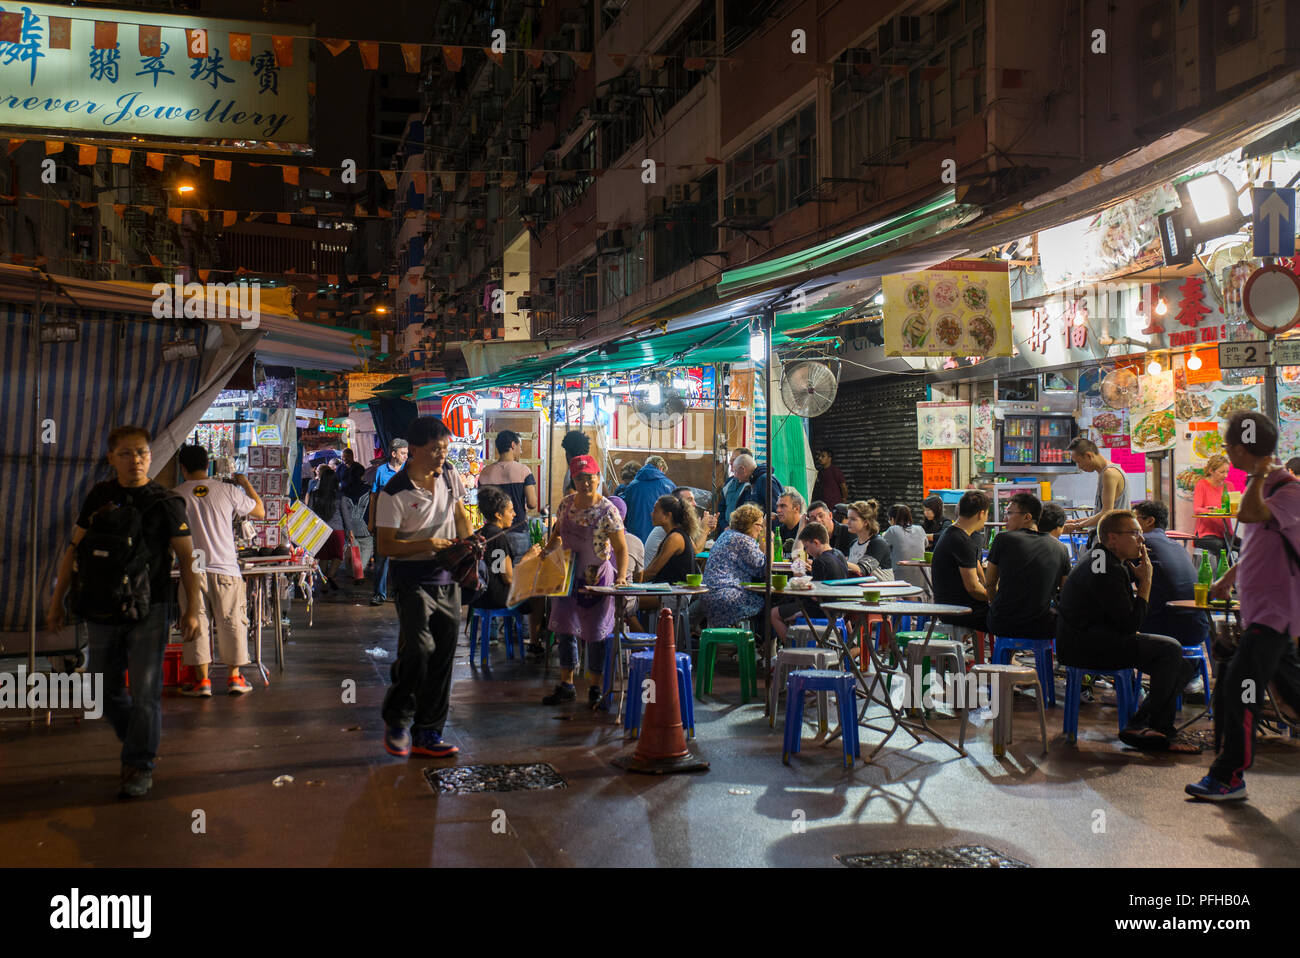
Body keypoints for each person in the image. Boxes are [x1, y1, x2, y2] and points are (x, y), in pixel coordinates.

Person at [45, 425, 203, 798]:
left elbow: (188, 558)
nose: (136, 460)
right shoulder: (99, 497)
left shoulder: (166, 502)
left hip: (151, 608)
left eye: (142, 453)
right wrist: (56, 603)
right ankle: (139, 735)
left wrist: (193, 608)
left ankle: (139, 765)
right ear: (111, 458)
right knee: (102, 687)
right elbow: (72, 550)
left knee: (147, 691)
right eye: (127, 453)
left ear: (151, 456)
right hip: (101, 607)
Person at [1187, 412, 1300, 801]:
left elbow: (1249, 515)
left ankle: (1228, 776)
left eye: (1229, 446)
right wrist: (1227, 579)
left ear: (1239, 449)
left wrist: (1258, 470)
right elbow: (1259, 544)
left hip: (1276, 613)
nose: (1226, 454)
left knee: (1239, 690)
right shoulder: (1268, 487)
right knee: (1293, 694)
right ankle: (1227, 774)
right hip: (1263, 611)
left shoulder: (1287, 490)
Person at [1056, 510, 1200, 753]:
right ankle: (1153, 727)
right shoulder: (1106, 568)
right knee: (1170, 650)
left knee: (1184, 666)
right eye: (1135, 534)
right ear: (1112, 538)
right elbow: (1130, 625)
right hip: (1086, 647)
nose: (1142, 540)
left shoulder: (1103, 559)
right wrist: (1145, 583)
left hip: (1091, 641)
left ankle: (1144, 725)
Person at [376, 418, 470, 759]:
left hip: (447, 578)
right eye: (435, 450)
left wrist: (469, 542)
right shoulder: (393, 493)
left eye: (445, 448)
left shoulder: (449, 475)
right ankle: (398, 716)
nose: (442, 455)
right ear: (413, 450)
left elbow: (461, 515)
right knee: (419, 647)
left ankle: (428, 732)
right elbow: (385, 546)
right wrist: (428, 543)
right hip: (411, 579)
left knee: (444, 656)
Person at [173, 444, 265, 697]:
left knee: (196, 621)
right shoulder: (227, 490)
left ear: (182, 468)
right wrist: (245, 484)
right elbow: (259, 511)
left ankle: (203, 682)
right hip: (226, 567)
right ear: (208, 464)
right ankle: (235, 678)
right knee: (232, 621)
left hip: (193, 568)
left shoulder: (175, 495)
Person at [539, 454, 629, 706]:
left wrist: (621, 576)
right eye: (579, 478)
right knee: (564, 629)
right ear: (573, 480)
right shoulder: (566, 505)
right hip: (567, 576)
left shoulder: (608, 510)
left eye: (589, 478)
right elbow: (558, 533)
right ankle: (566, 684)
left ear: (598, 478)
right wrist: (547, 549)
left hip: (597, 578)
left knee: (595, 633)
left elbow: (621, 548)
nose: (585, 483)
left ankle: (595, 687)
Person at [985, 492, 1070, 641]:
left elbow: (990, 583)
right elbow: (1066, 591)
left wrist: (993, 604)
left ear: (1027, 517)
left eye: (1010, 513)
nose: (1005, 519)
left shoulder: (1003, 539)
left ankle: (1006, 658)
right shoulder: (1061, 548)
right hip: (1042, 626)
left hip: (1003, 623)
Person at [1132, 499, 1209, 649]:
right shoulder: (1177, 546)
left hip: (1165, 629)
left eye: (1134, 520)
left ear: (1149, 521)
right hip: (1199, 628)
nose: (1131, 525)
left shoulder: (1141, 543)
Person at [770, 522, 849, 642]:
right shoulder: (839, 554)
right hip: (839, 609)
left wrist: (801, 579)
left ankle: (793, 649)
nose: (806, 551)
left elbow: (815, 597)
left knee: (774, 613)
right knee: (790, 612)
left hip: (822, 609)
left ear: (816, 542)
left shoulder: (820, 562)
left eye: (806, 547)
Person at [472, 486, 540, 625]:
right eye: (510, 511)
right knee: (538, 593)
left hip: (478, 595)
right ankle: (534, 642)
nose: (514, 514)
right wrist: (527, 557)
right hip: (496, 596)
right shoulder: (498, 537)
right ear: (498, 514)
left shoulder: (481, 533)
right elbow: (508, 577)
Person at [930, 489, 991, 633]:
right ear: (981, 513)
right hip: (959, 611)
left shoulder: (952, 534)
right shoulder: (961, 541)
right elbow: (973, 588)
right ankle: (1006, 654)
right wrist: (995, 598)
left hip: (949, 606)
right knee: (1012, 617)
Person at [701, 503, 768, 629]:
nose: (760, 529)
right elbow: (764, 569)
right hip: (727, 597)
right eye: (759, 525)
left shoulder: (726, 534)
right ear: (749, 525)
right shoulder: (743, 540)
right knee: (769, 605)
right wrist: (767, 542)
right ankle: (760, 644)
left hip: (709, 596)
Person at [477, 429, 538, 559]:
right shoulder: (524, 471)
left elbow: (482, 504)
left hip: (493, 534)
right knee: (520, 571)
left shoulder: (485, 473)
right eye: (520, 446)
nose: (520, 451)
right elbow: (532, 503)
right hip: (518, 530)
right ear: (513, 445)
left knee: (498, 571)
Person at [1062, 437, 1129, 548]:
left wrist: (1076, 525)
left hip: (1114, 541)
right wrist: (1077, 521)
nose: (1079, 466)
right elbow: (1102, 511)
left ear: (1089, 455)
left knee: (1099, 566)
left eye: (1078, 462)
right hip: (1109, 538)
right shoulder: (1104, 473)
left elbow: (1106, 513)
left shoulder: (1110, 473)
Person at [368, 438, 409, 606]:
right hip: (384, 522)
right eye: (403, 453)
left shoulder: (410, 470)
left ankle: (401, 592)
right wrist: (371, 521)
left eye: (407, 453)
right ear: (393, 453)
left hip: (406, 523)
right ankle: (379, 594)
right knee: (381, 560)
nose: (406, 456)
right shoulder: (380, 471)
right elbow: (374, 497)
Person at [310, 468, 359, 594]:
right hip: (337, 531)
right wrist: (350, 531)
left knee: (324, 557)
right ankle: (331, 575)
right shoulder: (339, 495)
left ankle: (325, 583)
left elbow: (310, 513)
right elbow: (345, 515)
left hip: (321, 530)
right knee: (338, 556)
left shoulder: (314, 494)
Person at [646, 486, 716, 564]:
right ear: (678, 504)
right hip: (657, 574)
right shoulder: (674, 523)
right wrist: (704, 530)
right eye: (690, 500)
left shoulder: (678, 523)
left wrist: (706, 528)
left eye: (694, 500)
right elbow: (696, 552)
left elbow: (690, 544)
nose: (695, 504)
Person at [621, 454, 674, 542]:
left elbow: (624, 511)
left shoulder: (632, 486)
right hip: (660, 537)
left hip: (635, 537)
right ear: (661, 469)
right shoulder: (669, 485)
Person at [1193, 453, 1233, 561]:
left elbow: (1234, 506)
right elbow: (1197, 509)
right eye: (1222, 472)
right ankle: (1226, 576)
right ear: (1211, 471)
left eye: (1227, 472)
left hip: (1226, 533)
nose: (1225, 475)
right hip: (1205, 535)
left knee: (1245, 545)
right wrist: (1210, 510)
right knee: (1223, 548)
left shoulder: (1228, 486)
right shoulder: (1202, 485)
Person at [843, 500, 892, 578]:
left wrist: (839, 560)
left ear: (865, 522)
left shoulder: (878, 544)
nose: (848, 522)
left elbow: (862, 570)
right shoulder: (853, 543)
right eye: (848, 518)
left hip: (882, 588)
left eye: (853, 519)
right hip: (859, 588)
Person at [714, 447, 754, 529]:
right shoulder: (729, 482)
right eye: (731, 459)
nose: (730, 462)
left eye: (734, 459)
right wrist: (725, 526)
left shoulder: (752, 485)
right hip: (726, 530)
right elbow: (721, 507)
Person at [882, 503, 927, 570]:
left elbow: (882, 548)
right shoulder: (920, 529)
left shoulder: (893, 530)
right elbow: (926, 544)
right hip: (923, 576)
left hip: (900, 576)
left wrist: (883, 535)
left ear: (892, 519)